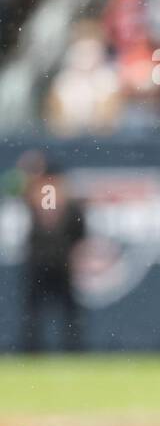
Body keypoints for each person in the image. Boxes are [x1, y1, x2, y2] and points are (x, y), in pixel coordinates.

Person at [16, 152, 85, 354]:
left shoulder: (33, 191)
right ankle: (73, 349)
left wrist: (26, 172)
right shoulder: (66, 194)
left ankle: (32, 350)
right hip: (61, 258)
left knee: (35, 309)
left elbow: (10, 186)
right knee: (68, 309)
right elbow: (80, 228)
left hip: (39, 258)